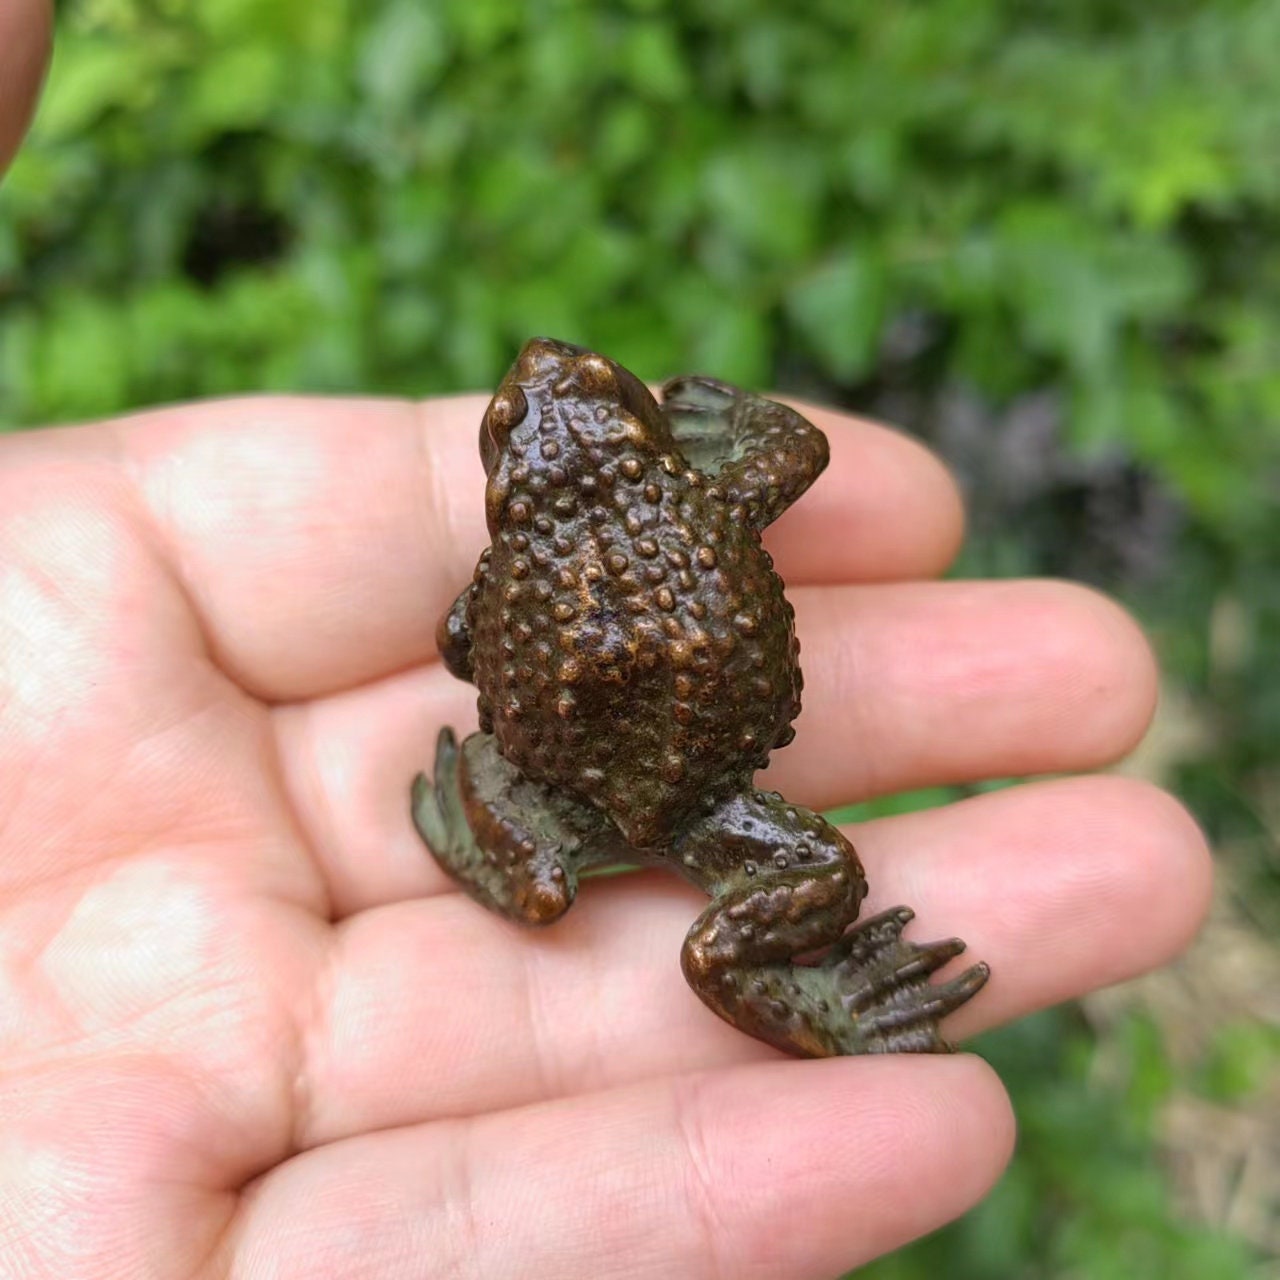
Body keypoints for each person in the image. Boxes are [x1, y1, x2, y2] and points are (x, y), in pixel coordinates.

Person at [0, 6, 1211, 1276]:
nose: (543, 370)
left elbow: (464, 646)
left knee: (552, 875)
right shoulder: (700, 489)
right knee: (829, 879)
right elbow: (795, 443)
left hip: (575, 793)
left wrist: (499, 713)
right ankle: (807, 987)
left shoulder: (505, 573)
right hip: (712, 803)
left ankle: (507, 859)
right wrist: (711, 413)